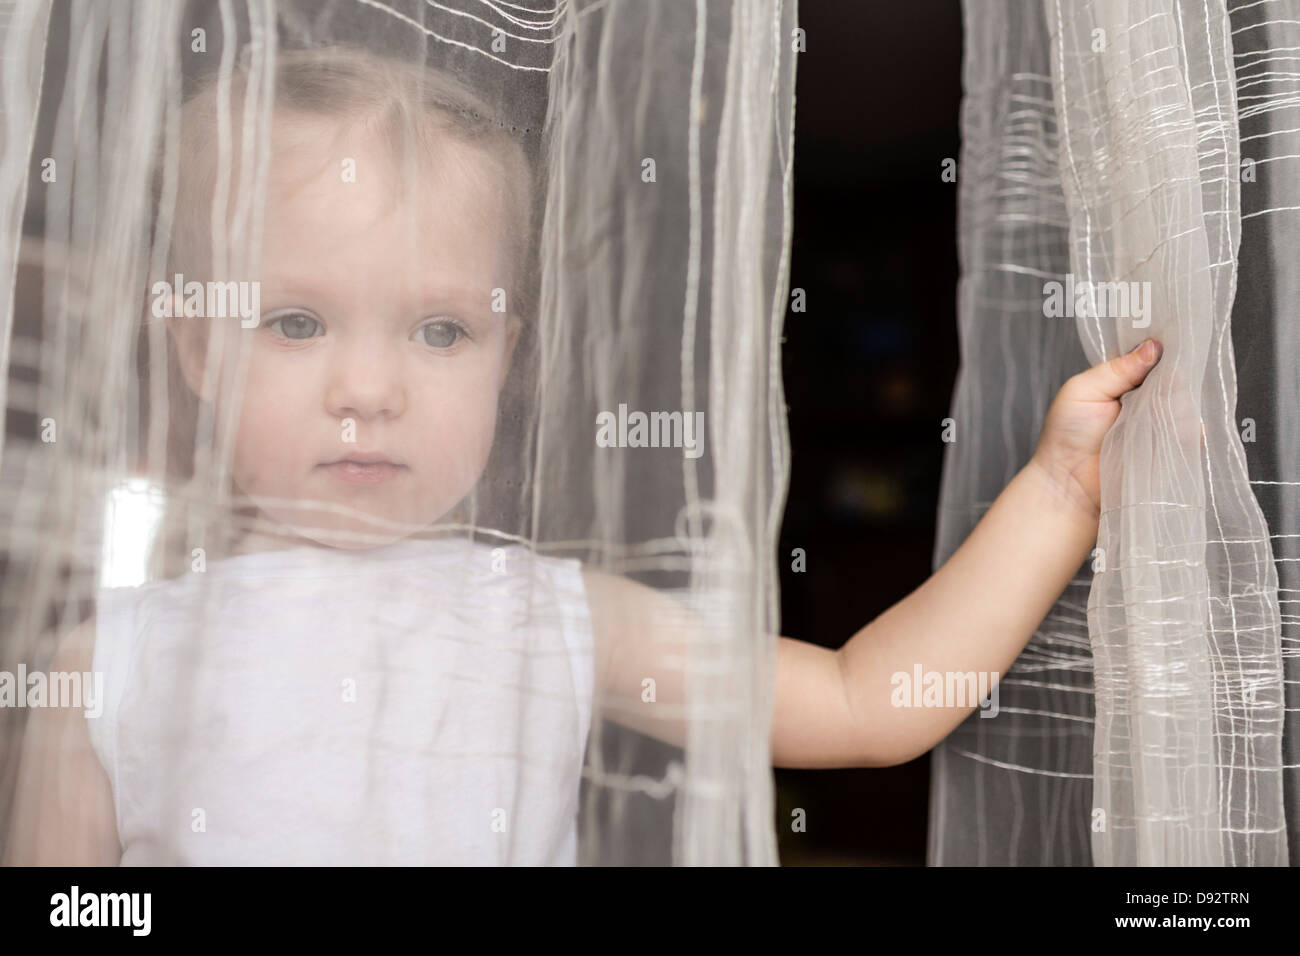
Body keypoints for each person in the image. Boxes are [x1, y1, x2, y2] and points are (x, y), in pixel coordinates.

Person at [2, 47, 1163, 865]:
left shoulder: (548, 617)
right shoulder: (108, 666)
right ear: (199, 347)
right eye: (297, 322)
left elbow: (865, 704)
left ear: (507, 355)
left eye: (440, 328)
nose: (370, 390)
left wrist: (1058, 494)